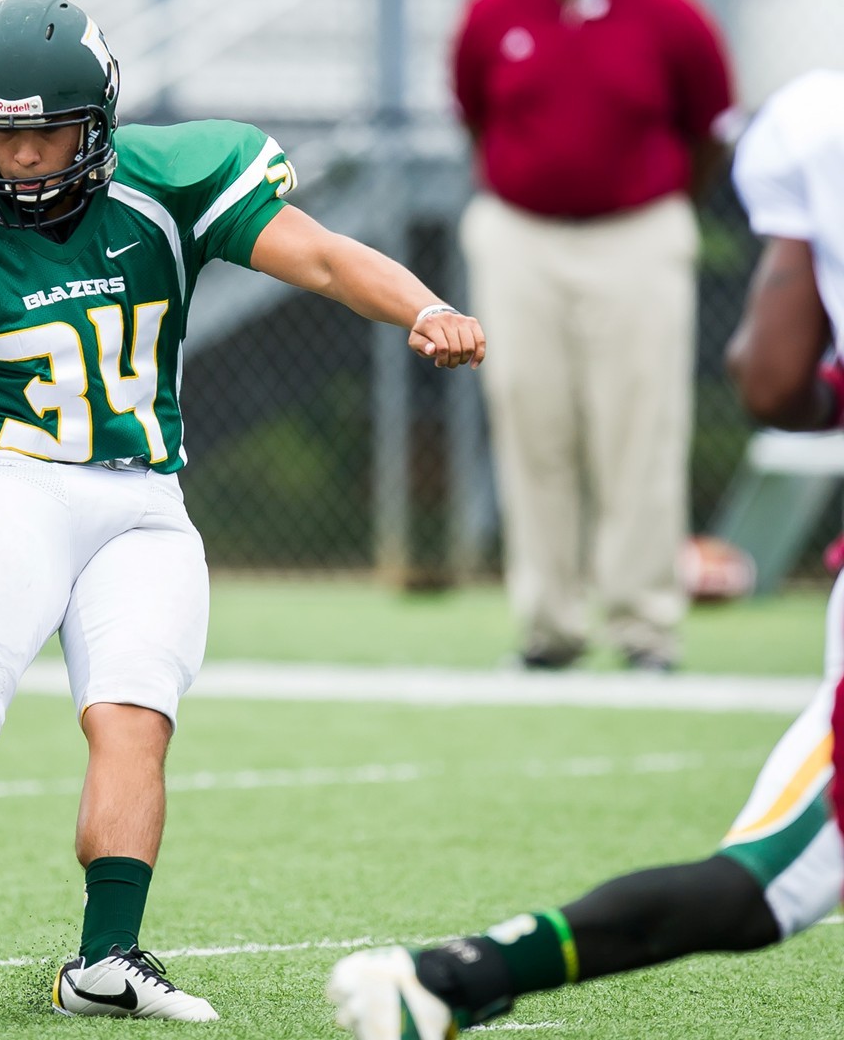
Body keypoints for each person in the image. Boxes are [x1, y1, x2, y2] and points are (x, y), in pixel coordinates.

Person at [0, 0, 485, 1021]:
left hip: (143, 493)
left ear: (99, 122)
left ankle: (106, 959)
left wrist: (424, 303)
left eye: (45, 132)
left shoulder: (169, 185)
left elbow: (322, 256)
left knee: (135, 714)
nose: (20, 159)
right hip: (4, 473)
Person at [325, 69, 844, 1040]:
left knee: (769, 874)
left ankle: (454, 975)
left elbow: (771, 381)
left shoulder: (817, 119)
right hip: (540, 229)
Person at [452, 0, 736, 671]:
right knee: (530, 420)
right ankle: (549, 627)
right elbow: (476, 118)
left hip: (636, 232)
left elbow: (710, 133)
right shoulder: (493, 14)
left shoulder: (671, 14)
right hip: (521, 234)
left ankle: (646, 627)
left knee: (640, 428)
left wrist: (654, 199)